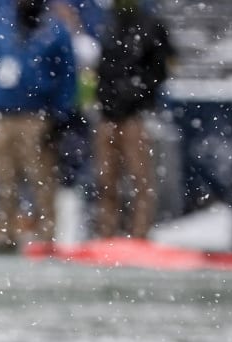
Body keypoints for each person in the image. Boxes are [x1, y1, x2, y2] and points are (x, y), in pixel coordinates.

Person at [0, 0, 77, 252]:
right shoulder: (2, 24)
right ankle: (5, 231)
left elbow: (67, 75)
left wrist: (59, 114)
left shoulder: (54, 29)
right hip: (3, 112)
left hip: (37, 114)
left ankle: (47, 234)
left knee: (41, 177)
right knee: (3, 177)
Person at [92, 0, 172, 240]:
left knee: (140, 178)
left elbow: (160, 70)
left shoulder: (151, 26)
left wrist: (138, 94)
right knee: (106, 179)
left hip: (135, 115)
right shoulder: (109, 25)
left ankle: (140, 232)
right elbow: (102, 69)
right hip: (109, 115)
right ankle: (107, 230)